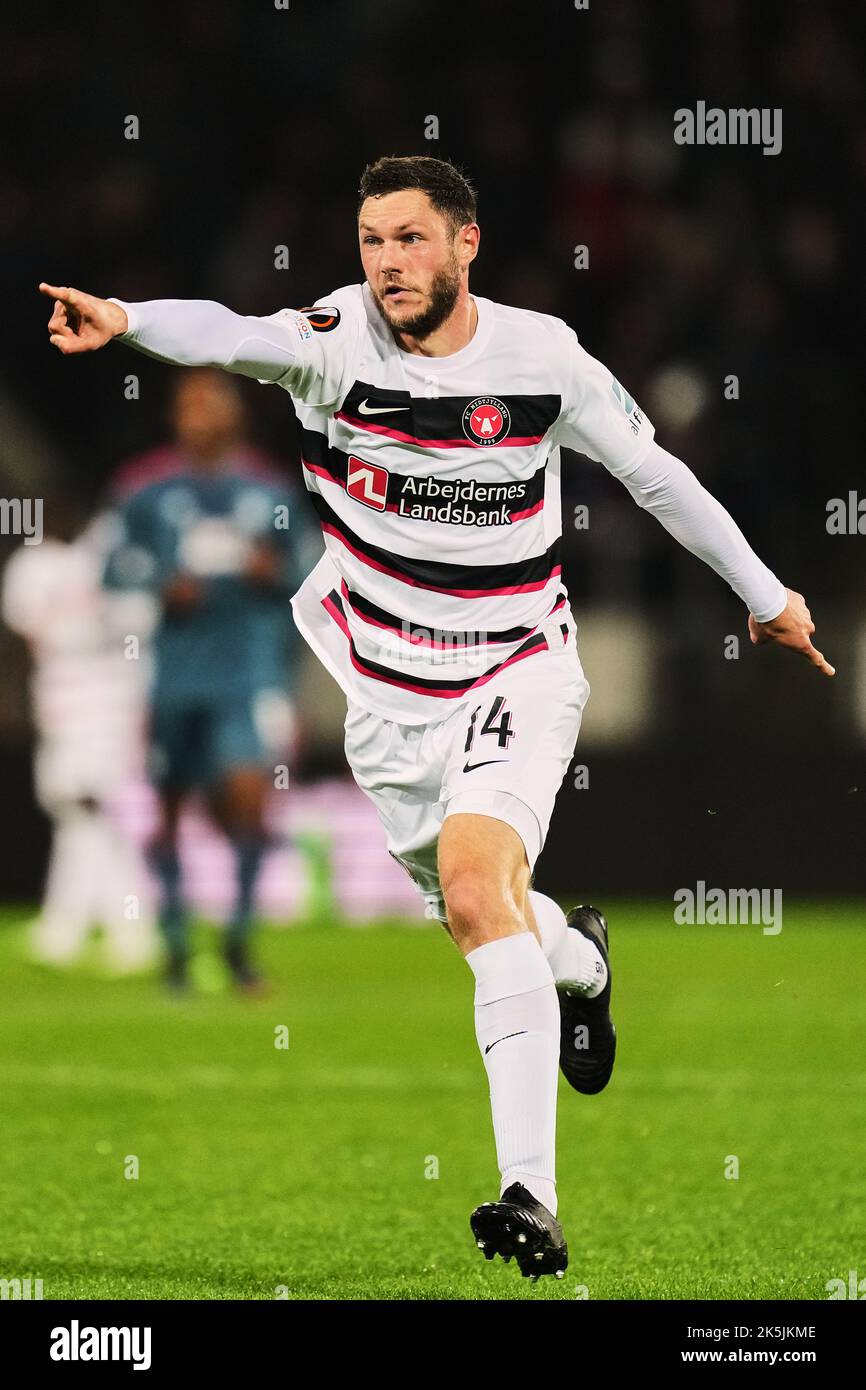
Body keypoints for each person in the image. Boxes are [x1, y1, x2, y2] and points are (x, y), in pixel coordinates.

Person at [39, 153, 834, 1279]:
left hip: (516, 667)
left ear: (466, 243)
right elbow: (222, 333)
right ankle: (583, 965)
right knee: (484, 917)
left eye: (409, 239)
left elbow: (654, 475)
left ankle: (530, 1193)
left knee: (474, 885)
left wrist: (764, 595)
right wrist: (123, 320)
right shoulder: (330, 345)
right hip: (384, 698)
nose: (385, 264)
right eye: (370, 242)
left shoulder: (541, 358)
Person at [102, 370, 306, 991]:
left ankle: (239, 942)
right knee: (167, 812)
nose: (200, 417)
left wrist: (273, 571)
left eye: (212, 405)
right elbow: (112, 566)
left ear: (234, 414)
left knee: (248, 804)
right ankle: (174, 949)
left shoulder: (268, 488)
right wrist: (161, 583)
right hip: (173, 674)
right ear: (175, 416)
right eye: (189, 406)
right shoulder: (146, 489)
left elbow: (310, 569)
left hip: (247, 671)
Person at [2, 499, 157, 974]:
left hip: (108, 703)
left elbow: (138, 623)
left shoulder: (112, 558)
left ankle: (97, 929)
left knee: (87, 805)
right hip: (60, 703)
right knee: (78, 813)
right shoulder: (33, 565)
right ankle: (93, 928)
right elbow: (33, 630)